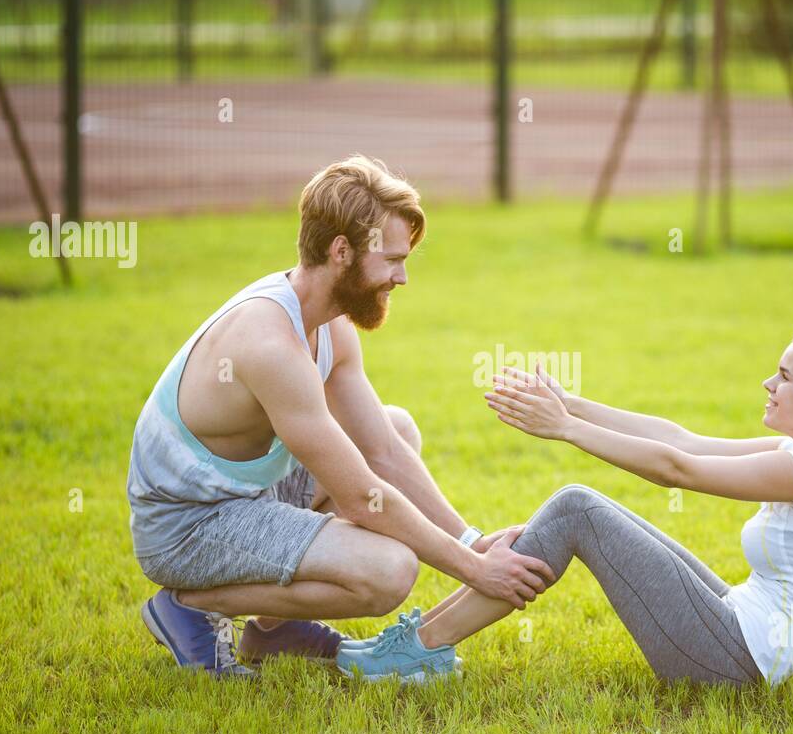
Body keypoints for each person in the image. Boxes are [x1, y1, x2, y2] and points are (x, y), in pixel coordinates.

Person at [128, 155, 553, 679]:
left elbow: (383, 451)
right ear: (341, 251)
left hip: (247, 499)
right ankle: (192, 607)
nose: (402, 277)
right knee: (388, 572)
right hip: (188, 526)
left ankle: (273, 628)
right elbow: (358, 497)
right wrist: (476, 572)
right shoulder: (269, 342)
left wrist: (471, 541)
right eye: (393, 260)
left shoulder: (328, 323)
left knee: (397, 426)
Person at [346, 327, 793, 688]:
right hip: (737, 630)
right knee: (575, 511)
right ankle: (415, 643)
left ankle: (417, 652)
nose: (768, 383)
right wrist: (572, 404)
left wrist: (566, 429)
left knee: (575, 509)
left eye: (785, 376)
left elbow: (678, 470)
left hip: (732, 660)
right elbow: (684, 440)